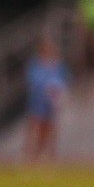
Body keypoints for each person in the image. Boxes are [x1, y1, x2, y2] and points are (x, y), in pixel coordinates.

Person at [22, 34, 69, 163]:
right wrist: (45, 90)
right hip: (37, 101)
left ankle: (47, 157)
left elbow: (63, 82)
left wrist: (57, 95)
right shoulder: (35, 64)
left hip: (52, 103)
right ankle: (29, 157)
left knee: (49, 130)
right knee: (34, 128)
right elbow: (33, 81)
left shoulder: (58, 65)